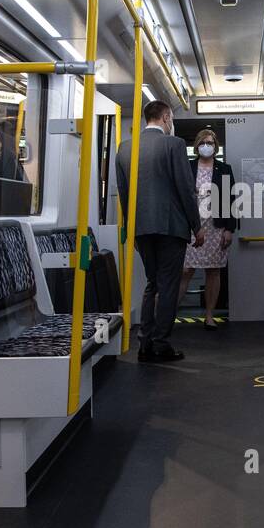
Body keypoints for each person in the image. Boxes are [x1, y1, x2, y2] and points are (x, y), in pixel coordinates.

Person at [115, 99, 203, 362]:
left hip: (141, 227)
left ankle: (144, 343)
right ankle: (161, 343)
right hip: (170, 227)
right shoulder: (174, 145)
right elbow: (186, 189)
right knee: (168, 286)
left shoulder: (125, 148)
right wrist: (196, 226)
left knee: (152, 283)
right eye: (172, 118)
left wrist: (131, 229)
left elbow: (124, 193)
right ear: (166, 118)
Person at [179, 128, 236, 328]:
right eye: (203, 142)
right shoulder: (187, 166)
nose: (206, 146)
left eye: (210, 143)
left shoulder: (224, 169)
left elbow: (231, 200)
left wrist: (230, 229)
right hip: (192, 227)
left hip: (216, 227)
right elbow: (180, 195)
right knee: (185, 270)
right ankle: (168, 314)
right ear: (197, 146)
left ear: (216, 146)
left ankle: (209, 315)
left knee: (214, 271)